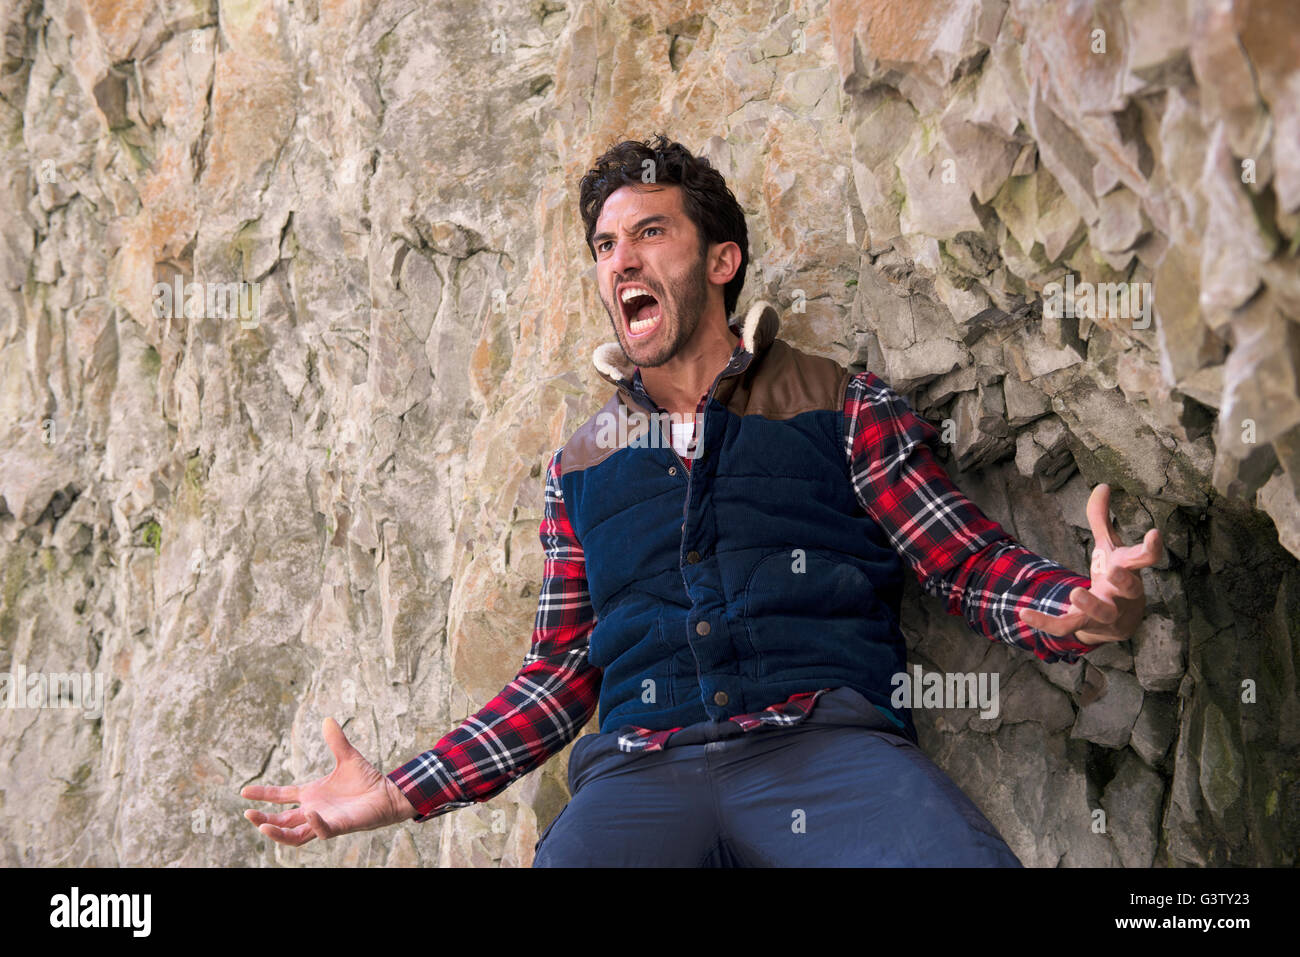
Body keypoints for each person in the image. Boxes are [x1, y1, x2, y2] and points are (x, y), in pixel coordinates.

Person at [241, 134, 1164, 866]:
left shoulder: (841, 404)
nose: (620, 261)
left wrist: (1079, 610)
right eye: (605, 245)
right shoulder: (580, 465)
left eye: (649, 233)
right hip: (639, 778)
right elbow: (558, 676)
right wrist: (399, 791)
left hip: (825, 752)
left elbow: (960, 561)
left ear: (721, 260)